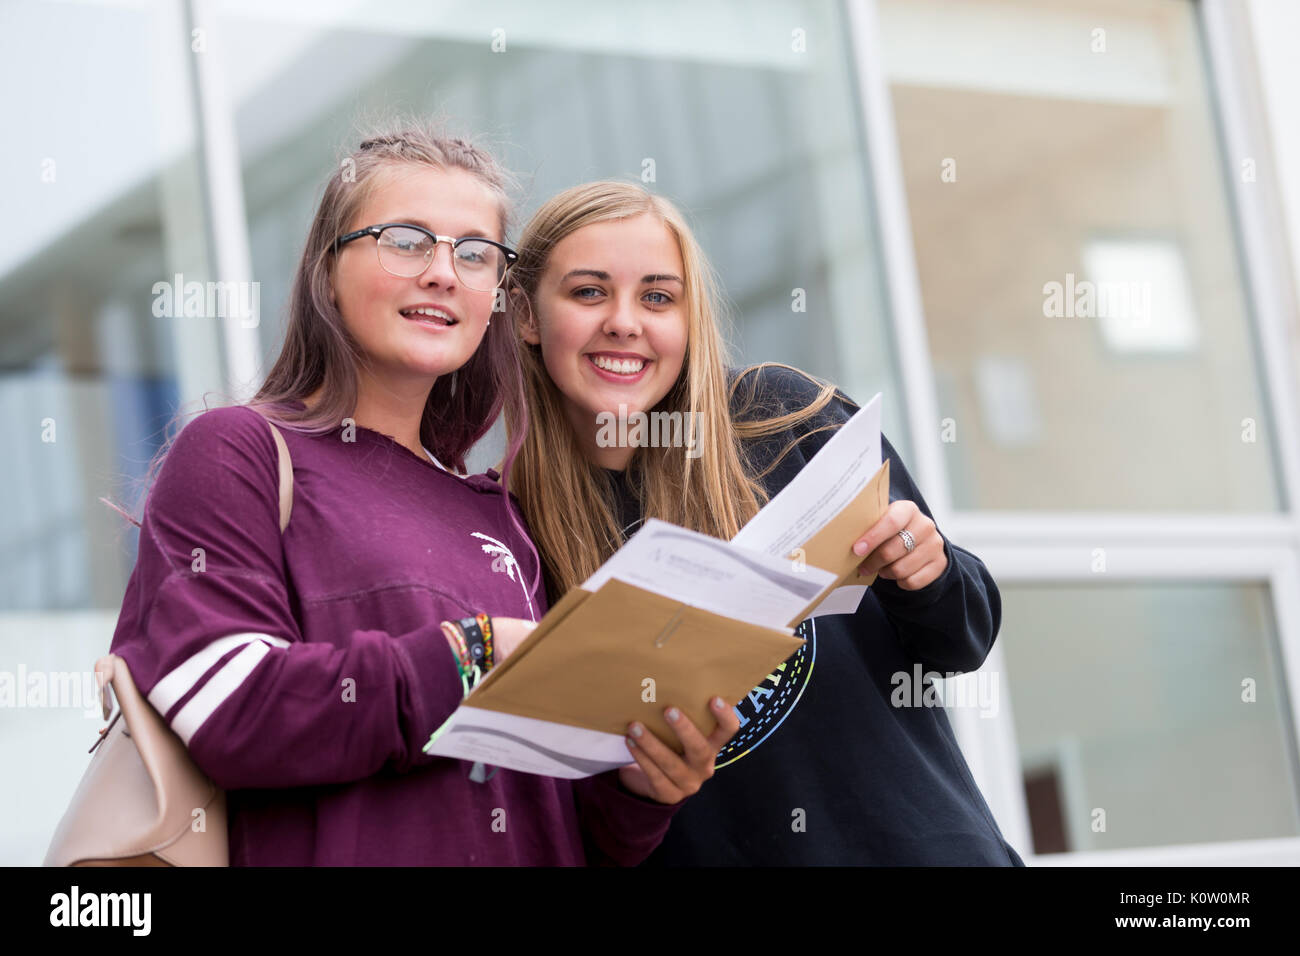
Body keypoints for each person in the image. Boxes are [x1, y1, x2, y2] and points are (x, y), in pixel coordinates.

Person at [108, 129, 736, 866]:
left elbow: (556, 820)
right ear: (326, 269)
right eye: (406, 240)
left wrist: (638, 791)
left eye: (475, 255)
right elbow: (225, 708)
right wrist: (470, 656)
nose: (443, 273)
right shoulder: (238, 452)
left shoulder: (499, 512)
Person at [505, 180, 1024, 865]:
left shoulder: (782, 416)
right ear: (525, 315)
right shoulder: (517, 531)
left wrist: (930, 571)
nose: (625, 322)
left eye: (658, 296)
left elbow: (962, 639)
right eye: (589, 292)